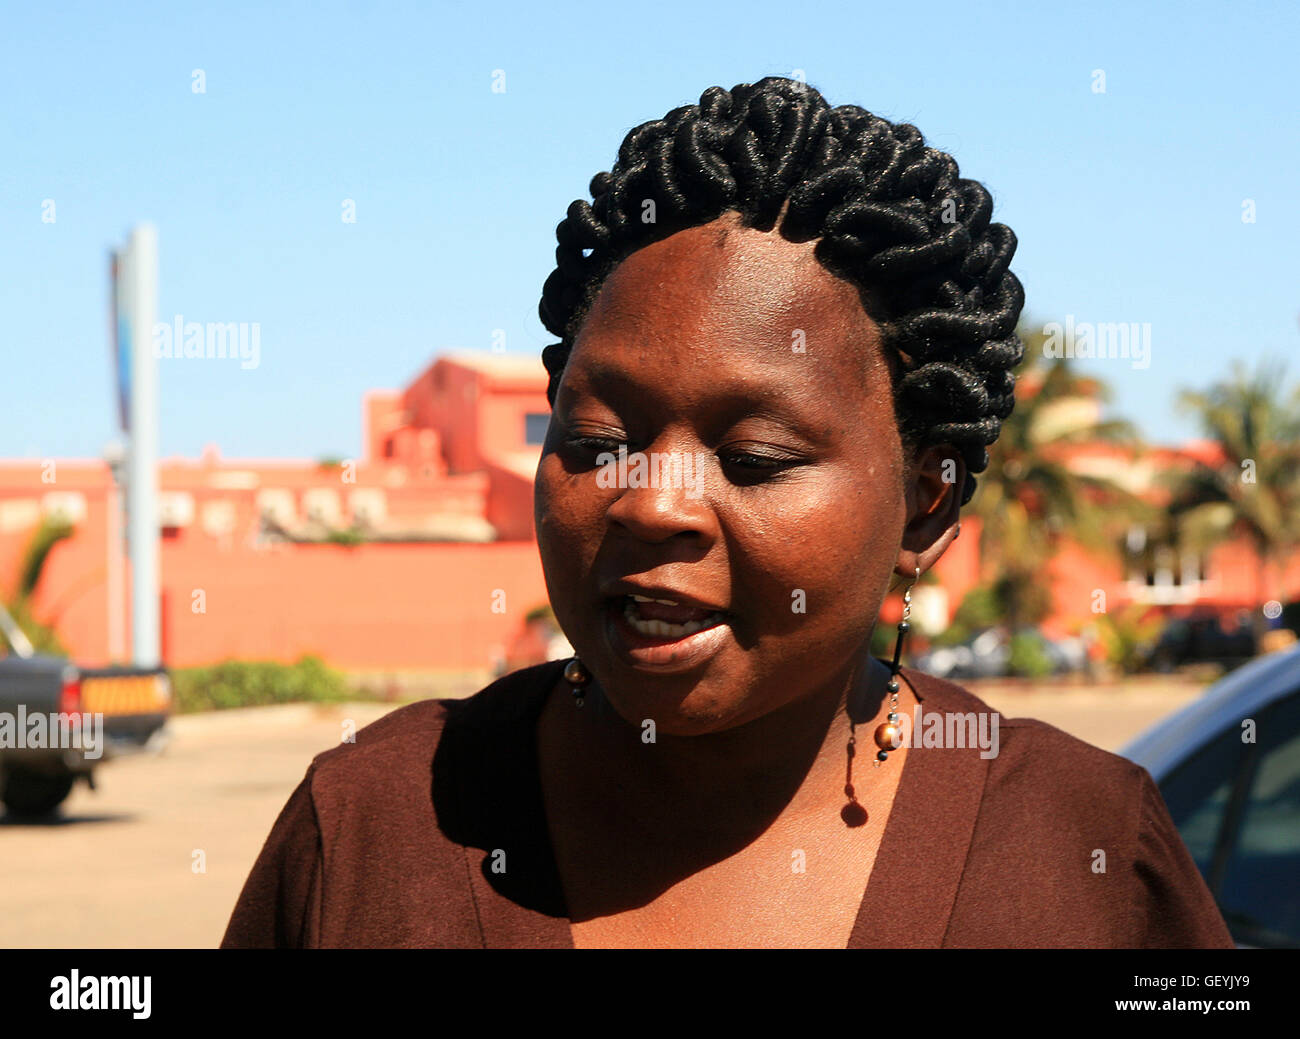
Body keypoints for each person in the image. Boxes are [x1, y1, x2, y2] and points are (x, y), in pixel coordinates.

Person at [220, 77, 1234, 949]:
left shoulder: (1079, 854)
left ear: (922, 511)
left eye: (751, 458)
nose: (651, 504)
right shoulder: (371, 830)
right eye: (595, 442)